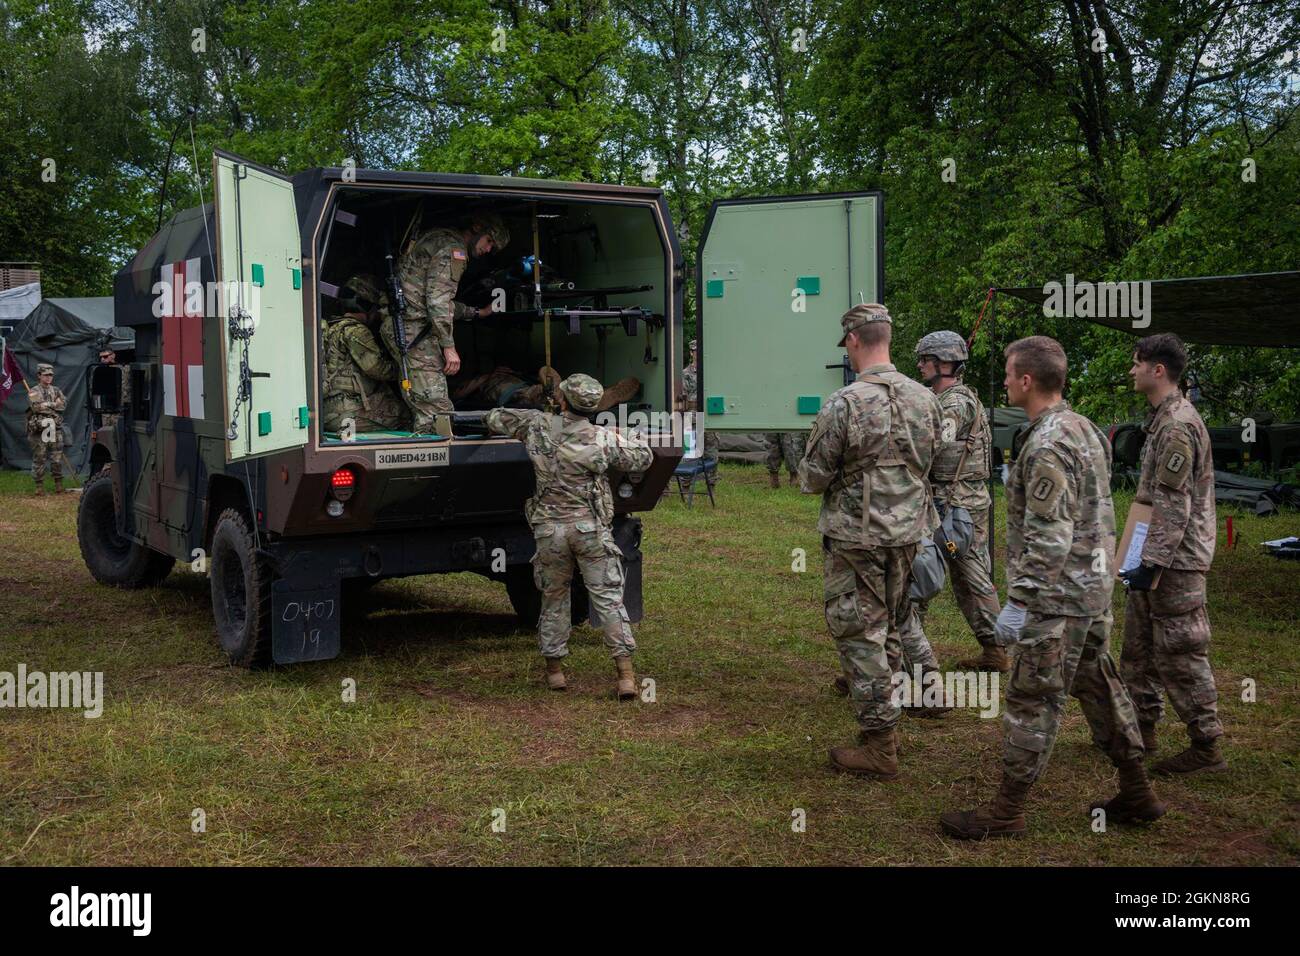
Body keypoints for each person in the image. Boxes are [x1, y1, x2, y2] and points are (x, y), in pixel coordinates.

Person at [940, 336, 1163, 840]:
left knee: (1032, 699)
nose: (1001, 381)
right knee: (1099, 688)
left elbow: (1050, 535)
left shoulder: (1046, 444)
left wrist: (1019, 602)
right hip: (1090, 592)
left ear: (1026, 380)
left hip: (1055, 601)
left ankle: (1007, 809)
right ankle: (1137, 790)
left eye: (1007, 372)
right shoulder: (1082, 429)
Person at [798, 303, 942, 778]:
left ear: (854, 342)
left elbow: (814, 476)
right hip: (909, 532)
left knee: (860, 632)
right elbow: (934, 465)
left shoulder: (845, 402)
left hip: (858, 536)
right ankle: (886, 717)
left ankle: (881, 745)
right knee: (894, 625)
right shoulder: (927, 399)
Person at [484, 373, 653, 698]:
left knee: (554, 598)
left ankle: (555, 673)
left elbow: (494, 418)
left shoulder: (536, 425)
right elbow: (643, 458)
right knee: (607, 598)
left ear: (562, 400)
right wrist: (621, 434)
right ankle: (625, 677)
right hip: (589, 530)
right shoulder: (601, 438)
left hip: (550, 531)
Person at [1119, 333, 1226, 776]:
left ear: (1157, 370)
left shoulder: (1177, 425)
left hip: (1175, 561)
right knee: (1138, 651)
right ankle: (1140, 730)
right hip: (1157, 555)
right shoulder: (1162, 418)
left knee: (1180, 651)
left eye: (1137, 363)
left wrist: (1152, 562)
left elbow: (1173, 503)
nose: (1132, 370)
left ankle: (1206, 745)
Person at [914, 330, 1006, 673]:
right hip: (942, 500)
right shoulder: (935, 397)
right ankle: (905, 654)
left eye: (926, 359)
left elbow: (938, 438)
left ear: (945, 363)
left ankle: (995, 650)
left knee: (968, 578)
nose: (921, 365)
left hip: (959, 505)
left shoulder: (957, 402)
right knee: (934, 574)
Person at [387, 214, 510, 432]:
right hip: (414, 333)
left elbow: (431, 300)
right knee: (436, 414)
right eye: (489, 240)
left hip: (404, 327)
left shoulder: (437, 237)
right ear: (476, 227)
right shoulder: (455, 251)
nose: (488, 249)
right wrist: (449, 346)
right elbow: (438, 301)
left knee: (422, 405)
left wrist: (477, 313)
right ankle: (433, 463)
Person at [322, 274, 410, 434]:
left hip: (326, 411)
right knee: (407, 416)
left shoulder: (330, 327)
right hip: (350, 412)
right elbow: (376, 369)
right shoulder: (356, 331)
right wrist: (404, 369)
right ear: (366, 306)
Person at [454, 365, 640, 414]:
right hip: (505, 393)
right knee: (530, 395)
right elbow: (459, 395)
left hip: (519, 387)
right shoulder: (485, 379)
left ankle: (560, 394)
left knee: (531, 393)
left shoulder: (511, 374)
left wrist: (512, 372)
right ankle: (589, 396)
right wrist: (487, 376)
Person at [27, 363, 67, 495]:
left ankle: (59, 485)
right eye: (46, 375)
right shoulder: (33, 391)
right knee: (40, 457)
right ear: (39, 375)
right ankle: (39, 487)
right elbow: (36, 407)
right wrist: (55, 404)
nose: (49, 377)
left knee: (56, 456)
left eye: (51, 375)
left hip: (54, 427)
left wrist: (47, 404)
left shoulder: (56, 390)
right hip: (40, 427)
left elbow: (63, 405)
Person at [680, 338, 719, 464]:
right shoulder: (685, 374)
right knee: (689, 453)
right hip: (691, 418)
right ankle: (686, 482)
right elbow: (682, 397)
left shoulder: (712, 372)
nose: (698, 353)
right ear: (691, 353)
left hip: (709, 417)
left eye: (700, 351)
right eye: (695, 351)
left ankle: (711, 482)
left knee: (711, 452)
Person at [95, 345, 131, 431]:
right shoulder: (100, 373)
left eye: (105, 356)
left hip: (121, 410)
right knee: (106, 434)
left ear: (113, 355)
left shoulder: (125, 370)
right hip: (106, 410)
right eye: (101, 357)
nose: (103, 359)